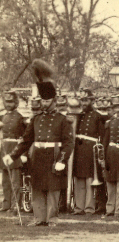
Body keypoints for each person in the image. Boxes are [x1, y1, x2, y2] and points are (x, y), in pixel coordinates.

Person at [5, 60, 73, 226]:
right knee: (37, 187)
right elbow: (26, 141)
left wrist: (62, 160)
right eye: (42, 100)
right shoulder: (36, 119)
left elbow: (68, 142)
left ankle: (52, 218)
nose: (44, 103)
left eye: (47, 101)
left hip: (54, 155)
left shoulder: (63, 120)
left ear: (54, 101)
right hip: (38, 155)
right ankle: (39, 218)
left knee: (53, 189)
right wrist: (12, 155)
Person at [70, 89, 104, 215]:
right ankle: (79, 207)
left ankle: (89, 207)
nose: (84, 103)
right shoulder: (78, 115)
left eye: (86, 100)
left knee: (90, 178)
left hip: (91, 149)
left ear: (92, 101)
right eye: (82, 100)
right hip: (79, 149)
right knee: (79, 177)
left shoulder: (97, 116)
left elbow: (101, 135)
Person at [1, 90, 26, 216]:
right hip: (4, 147)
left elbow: (24, 138)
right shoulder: (2, 116)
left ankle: (16, 205)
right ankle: (6, 204)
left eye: (11, 101)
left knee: (15, 180)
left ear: (15, 102)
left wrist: (22, 154)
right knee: (5, 179)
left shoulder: (20, 118)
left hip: (15, 148)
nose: (8, 104)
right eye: (6, 101)